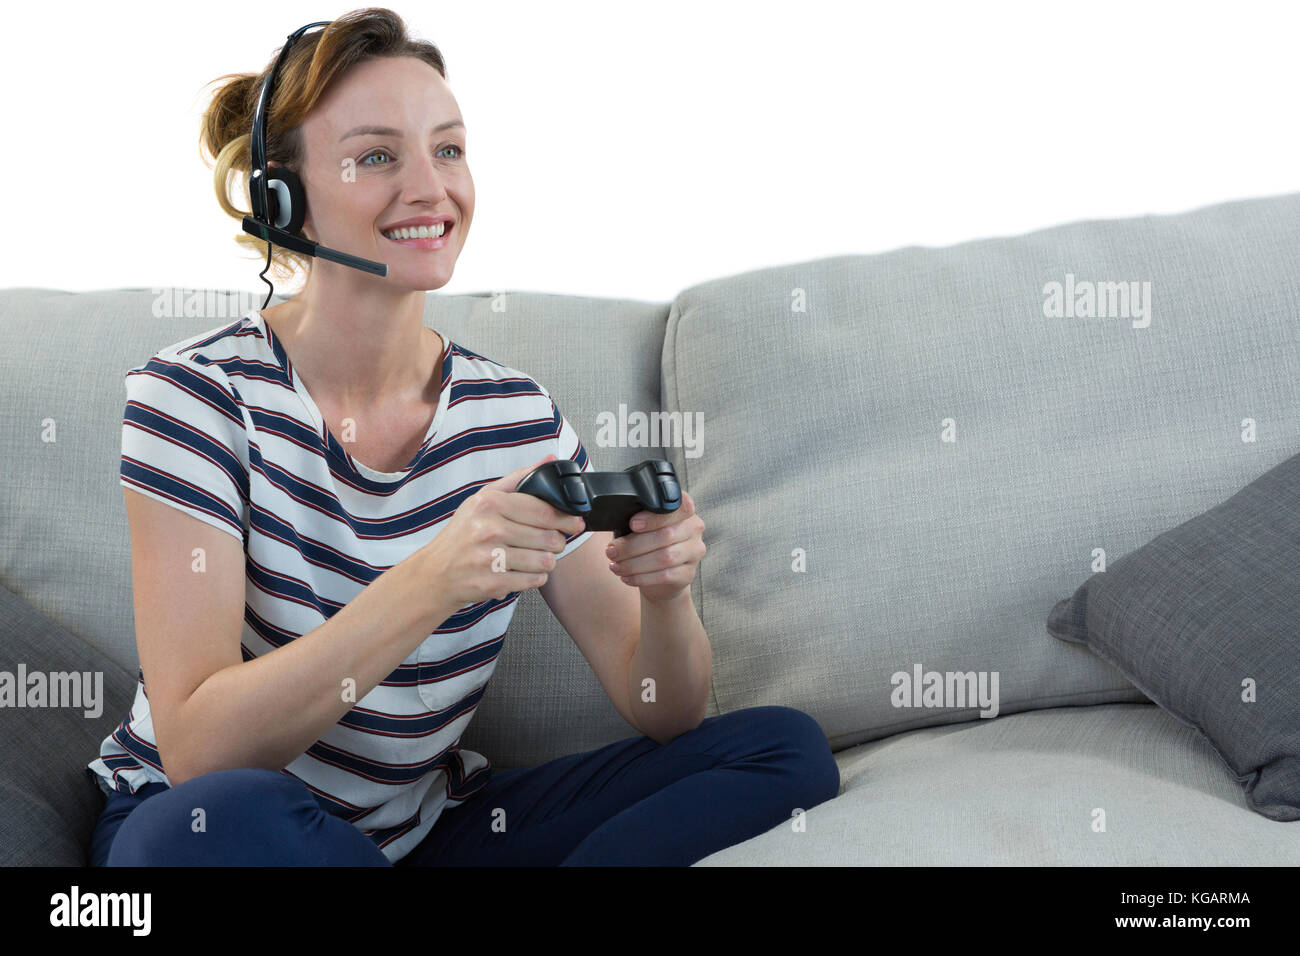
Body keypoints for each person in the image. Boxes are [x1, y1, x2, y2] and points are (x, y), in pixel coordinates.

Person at [85, 7, 839, 867]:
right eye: (377, 157)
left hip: (426, 834)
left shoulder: (514, 419)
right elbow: (199, 752)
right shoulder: (195, 397)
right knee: (223, 821)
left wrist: (665, 599)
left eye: (447, 149)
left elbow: (662, 708)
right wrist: (433, 580)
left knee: (780, 748)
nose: (430, 189)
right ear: (281, 199)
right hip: (215, 824)